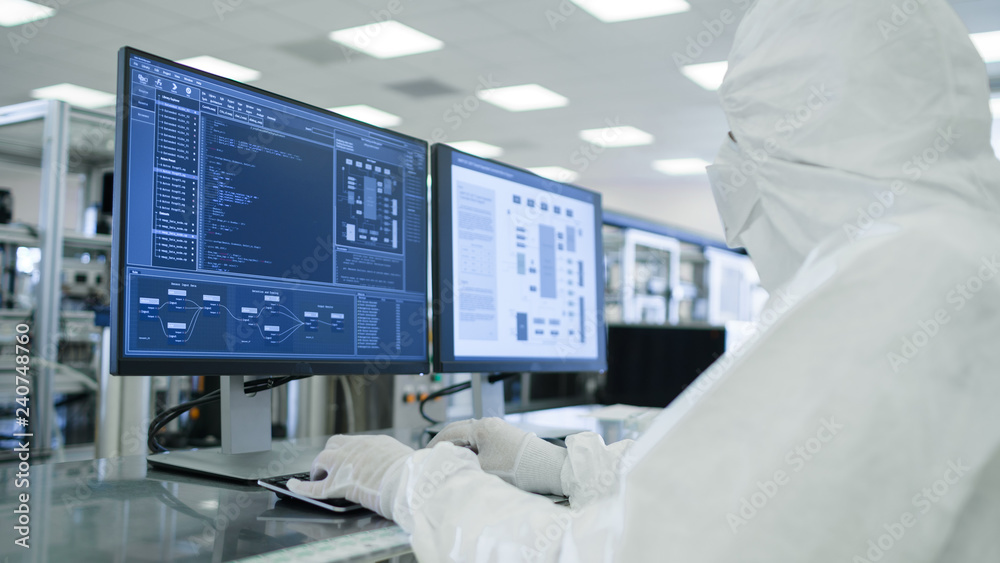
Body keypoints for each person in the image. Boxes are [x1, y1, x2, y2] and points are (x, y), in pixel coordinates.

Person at [289, 0, 1000, 560]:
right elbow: (736, 485)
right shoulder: (953, 254)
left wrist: (412, 482)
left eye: (741, 143)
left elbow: (606, 554)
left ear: (803, 138)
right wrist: (558, 467)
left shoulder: (895, 286)